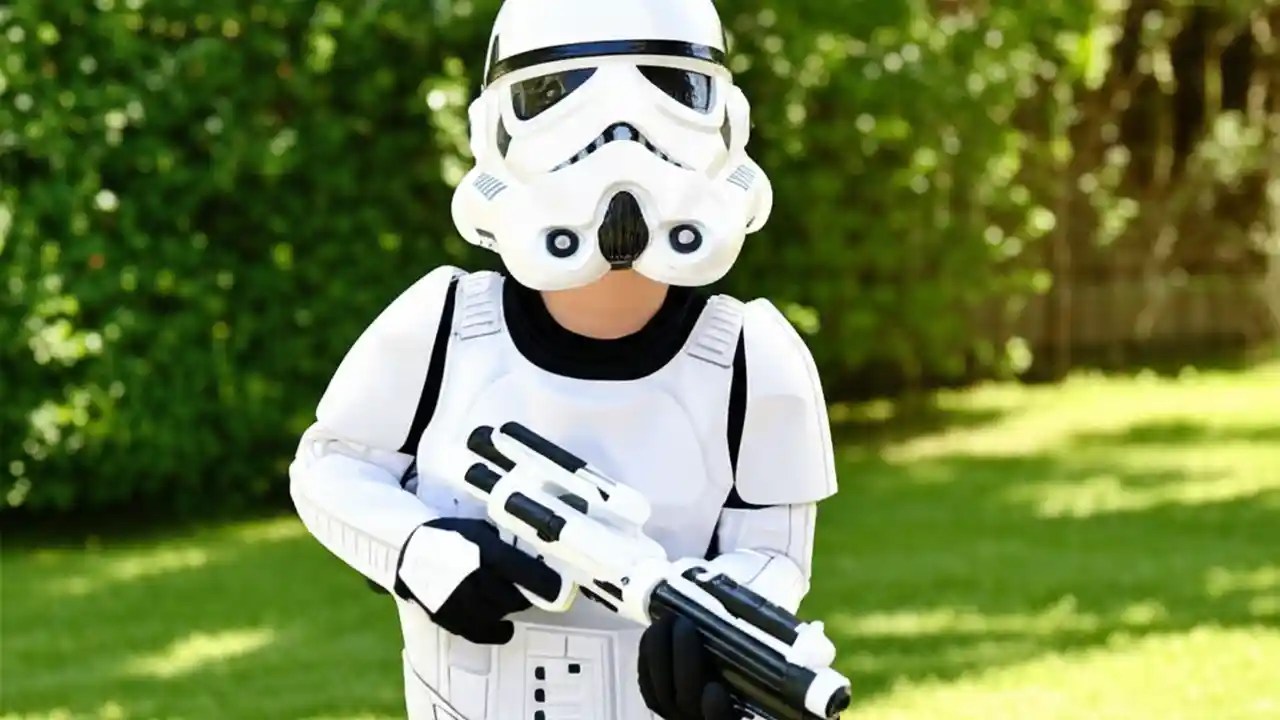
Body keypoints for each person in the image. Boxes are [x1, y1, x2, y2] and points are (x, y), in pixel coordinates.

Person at [288, 0, 839, 718]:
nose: (620, 136)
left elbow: (776, 554)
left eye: (671, 88)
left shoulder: (750, 358)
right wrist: (416, 550)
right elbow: (331, 467)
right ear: (495, 129)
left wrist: (717, 628)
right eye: (556, 93)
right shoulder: (445, 326)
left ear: (727, 121)